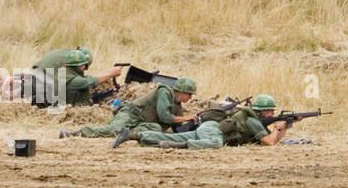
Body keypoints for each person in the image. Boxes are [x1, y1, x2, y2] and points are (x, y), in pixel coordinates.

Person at [129, 94, 289, 149]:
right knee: (215, 143)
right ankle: (183, 146)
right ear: (262, 110)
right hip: (213, 130)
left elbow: (270, 140)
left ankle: (134, 135)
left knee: (173, 137)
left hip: (208, 128)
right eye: (270, 111)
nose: (273, 113)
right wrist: (278, 128)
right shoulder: (252, 120)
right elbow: (269, 142)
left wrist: (284, 127)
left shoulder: (253, 118)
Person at [66, 76, 198, 142]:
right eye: (189, 94)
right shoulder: (165, 92)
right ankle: (76, 133)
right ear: (181, 91)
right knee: (114, 130)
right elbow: (165, 116)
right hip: (131, 113)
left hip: (142, 122)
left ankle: (128, 133)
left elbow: (176, 128)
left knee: (156, 129)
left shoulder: (177, 106)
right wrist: (186, 118)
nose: (190, 97)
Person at [31, 48, 124, 106]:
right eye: (84, 65)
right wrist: (111, 73)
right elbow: (90, 81)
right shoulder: (72, 79)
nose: (85, 68)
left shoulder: (64, 69)